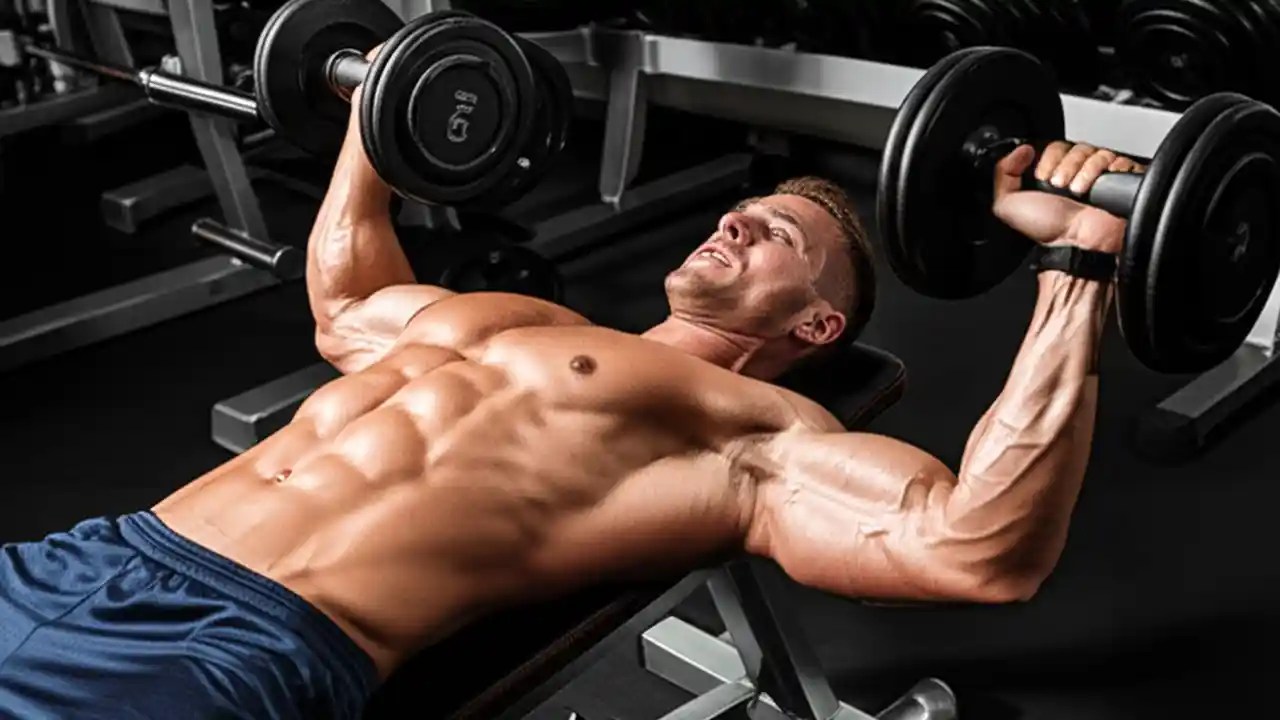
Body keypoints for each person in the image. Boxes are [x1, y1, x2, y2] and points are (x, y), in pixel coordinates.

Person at [0, 83, 1142, 718]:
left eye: (776, 235)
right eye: (734, 214)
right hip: (99, 553)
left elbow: (976, 549)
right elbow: (346, 305)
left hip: (241, 643)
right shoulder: (508, 322)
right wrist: (372, 116)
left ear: (816, 328)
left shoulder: (751, 439)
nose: (732, 220)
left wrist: (1078, 263)